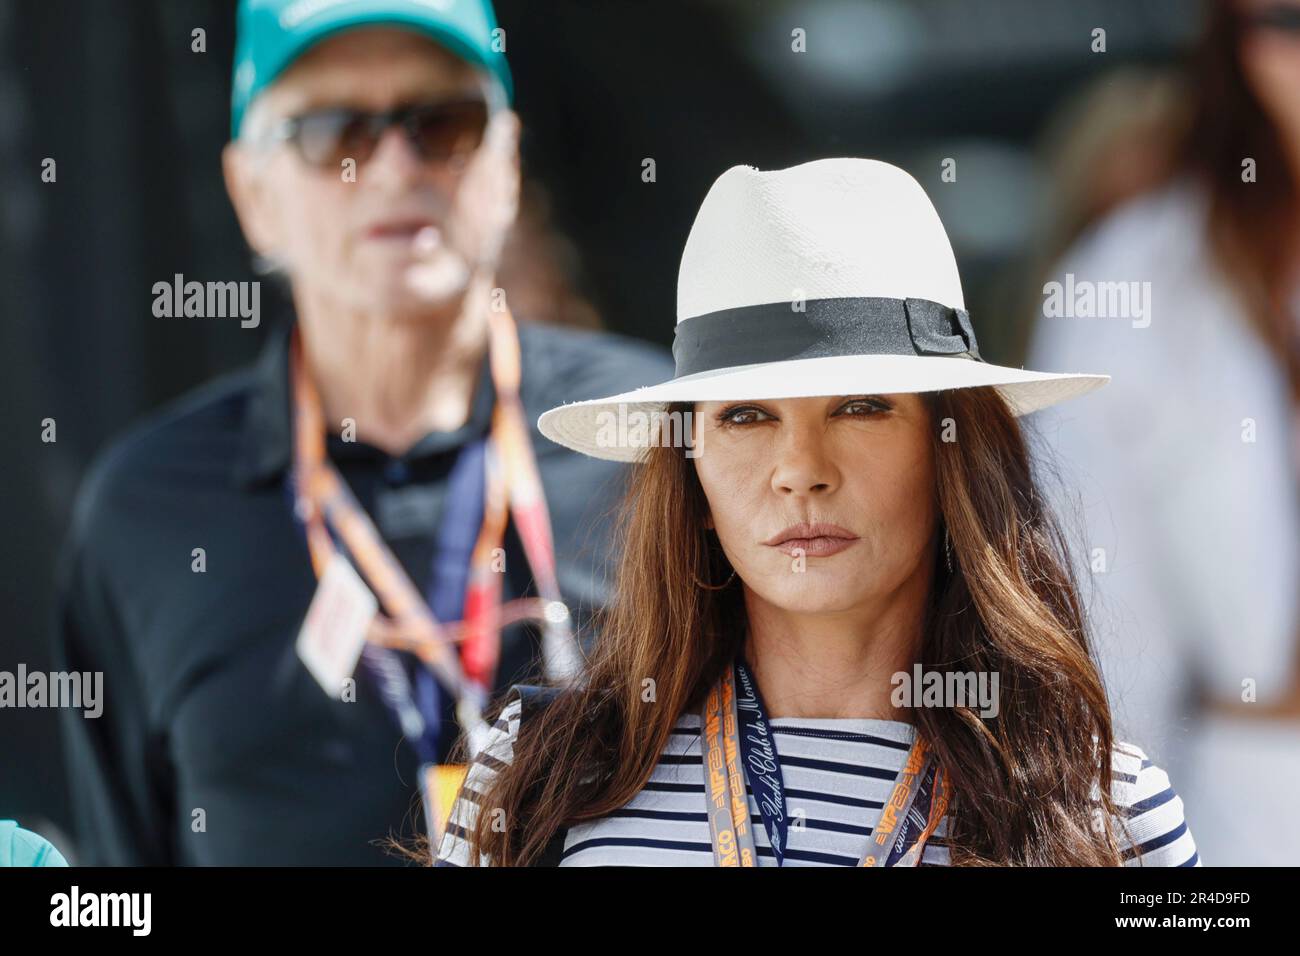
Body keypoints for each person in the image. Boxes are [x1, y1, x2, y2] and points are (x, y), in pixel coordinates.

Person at [433, 158, 1201, 866]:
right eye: (745, 416)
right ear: (691, 479)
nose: (801, 470)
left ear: (951, 456)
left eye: (862, 407)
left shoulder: (1107, 816)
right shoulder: (540, 776)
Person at [53, 0, 672, 865]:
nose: (391, 168)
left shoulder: (654, 432)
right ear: (250, 193)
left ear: (507, 162)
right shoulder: (145, 507)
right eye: (335, 134)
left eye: (442, 123)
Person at [1026, 0, 1300, 866]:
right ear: (1232, 41)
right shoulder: (1137, 280)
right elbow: (1105, 640)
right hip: (1249, 815)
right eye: (1287, 18)